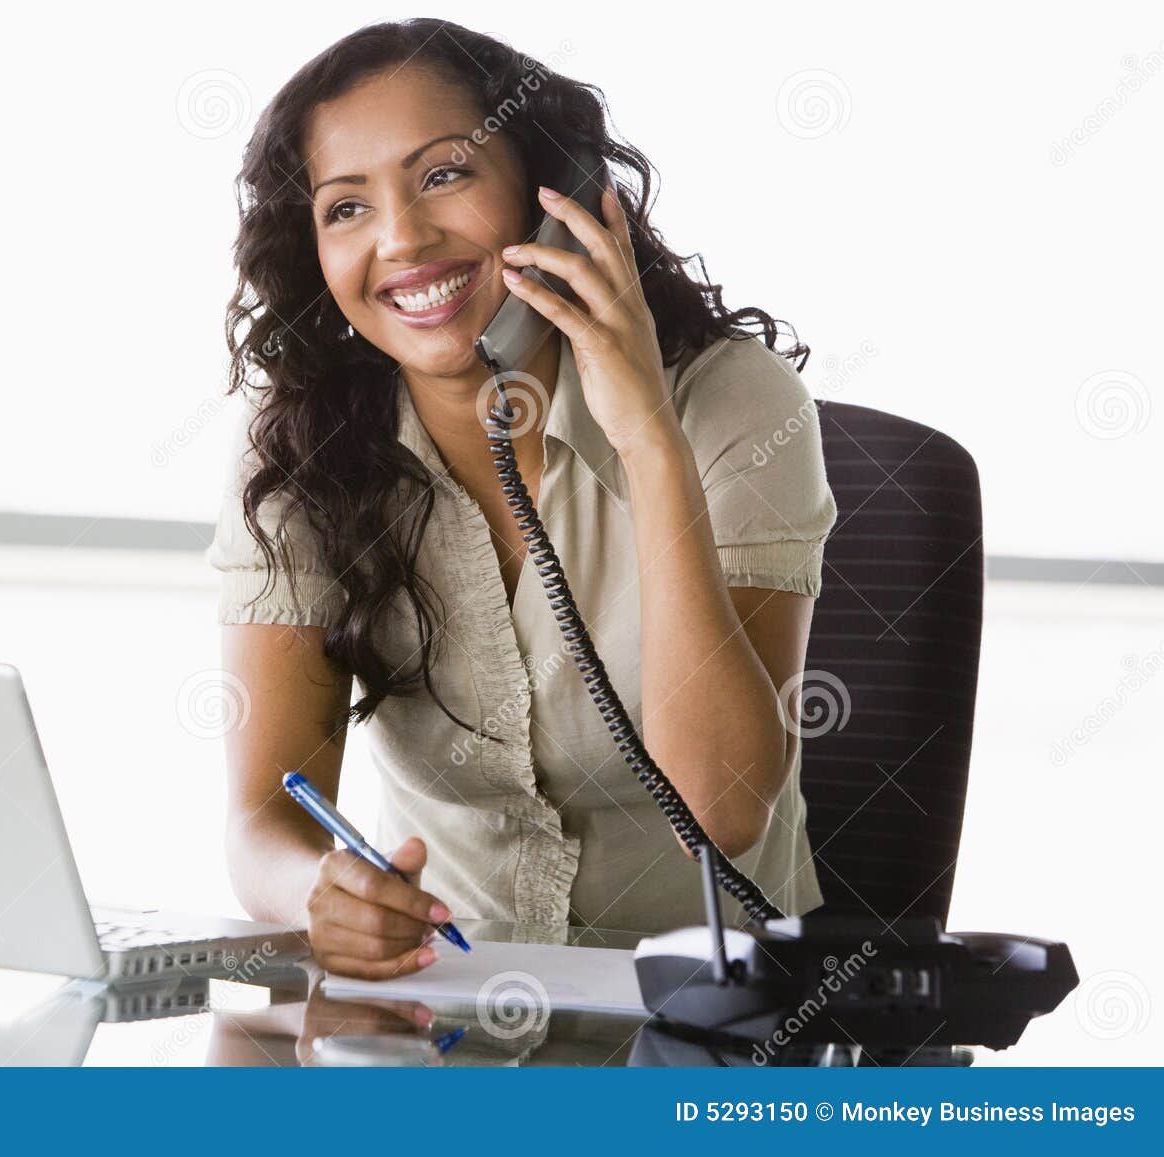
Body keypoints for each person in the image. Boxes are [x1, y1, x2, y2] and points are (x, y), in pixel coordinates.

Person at [210, 19, 837, 980]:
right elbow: (263, 821)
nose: (401, 239)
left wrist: (648, 440)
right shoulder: (299, 446)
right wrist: (317, 895)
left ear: (556, 194)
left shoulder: (732, 402)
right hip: (437, 1004)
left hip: (707, 1016)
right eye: (347, 208)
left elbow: (724, 810)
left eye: (444, 174)